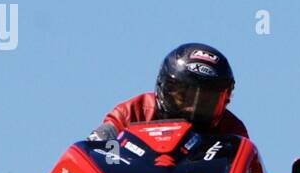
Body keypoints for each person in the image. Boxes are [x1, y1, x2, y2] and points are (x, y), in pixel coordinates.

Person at [88, 43, 247, 142]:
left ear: (224, 100)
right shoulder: (132, 112)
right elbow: (94, 149)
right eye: (183, 97)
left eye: (205, 101)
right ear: (163, 87)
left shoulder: (232, 130)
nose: (192, 108)